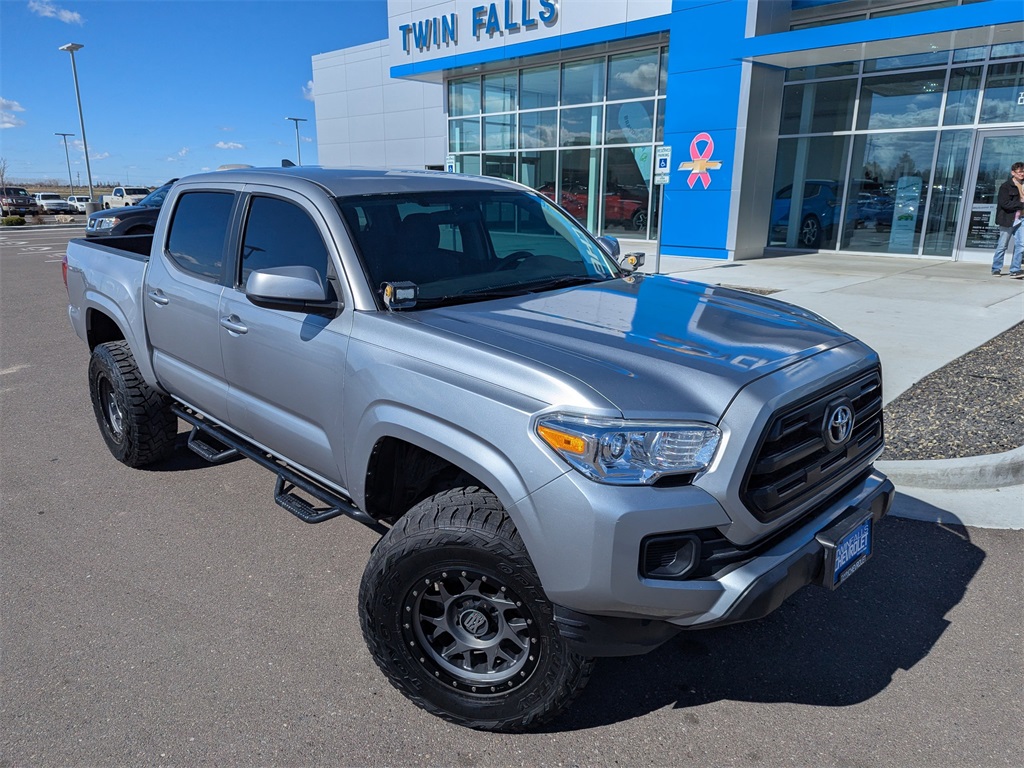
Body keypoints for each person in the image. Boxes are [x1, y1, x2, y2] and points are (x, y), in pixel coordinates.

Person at [991, 161, 1024, 278]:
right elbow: (1005, 203)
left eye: (1023, 171)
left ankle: (1015, 269)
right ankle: (996, 268)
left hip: (1022, 219)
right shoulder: (1005, 186)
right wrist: (1021, 205)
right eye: (1020, 172)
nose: (1022, 174)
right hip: (1008, 219)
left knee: (1021, 245)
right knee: (1002, 245)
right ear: (1013, 173)